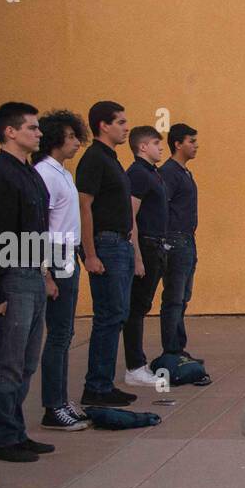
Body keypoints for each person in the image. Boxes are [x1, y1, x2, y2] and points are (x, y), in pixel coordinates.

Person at [0, 101, 55, 463]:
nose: (38, 133)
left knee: (26, 361)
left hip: (33, 274)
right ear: (11, 131)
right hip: (11, 276)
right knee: (7, 360)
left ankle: (16, 430)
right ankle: (2, 436)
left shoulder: (29, 172)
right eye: (32, 128)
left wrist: (46, 273)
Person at [33, 109, 91, 431]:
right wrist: (46, 273)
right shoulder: (45, 173)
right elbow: (39, 227)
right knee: (57, 335)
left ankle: (61, 397)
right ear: (55, 138)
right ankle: (52, 406)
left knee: (65, 333)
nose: (75, 142)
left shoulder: (64, 173)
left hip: (69, 256)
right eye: (70, 137)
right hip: (54, 257)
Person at [76, 100, 136, 407]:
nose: (126, 127)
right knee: (108, 316)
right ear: (103, 125)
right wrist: (90, 253)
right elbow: (84, 205)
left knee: (117, 316)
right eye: (121, 122)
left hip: (121, 244)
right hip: (106, 244)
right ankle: (96, 386)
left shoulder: (111, 158)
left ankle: (104, 383)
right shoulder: (94, 159)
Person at [122, 125, 168, 387]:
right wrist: (137, 256)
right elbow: (131, 217)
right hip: (146, 247)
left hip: (157, 247)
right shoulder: (138, 174)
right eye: (155, 143)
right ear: (142, 147)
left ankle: (138, 363)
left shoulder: (153, 173)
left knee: (142, 306)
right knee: (136, 308)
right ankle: (134, 367)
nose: (160, 147)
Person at [159, 123, 202, 365]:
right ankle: (171, 351)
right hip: (175, 241)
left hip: (187, 238)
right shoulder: (169, 173)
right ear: (177, 144)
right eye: (191, 141)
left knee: (183, 296)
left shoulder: (184, 172)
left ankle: (178, 347)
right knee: (174, 297)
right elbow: (161, 206)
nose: (196, 146)